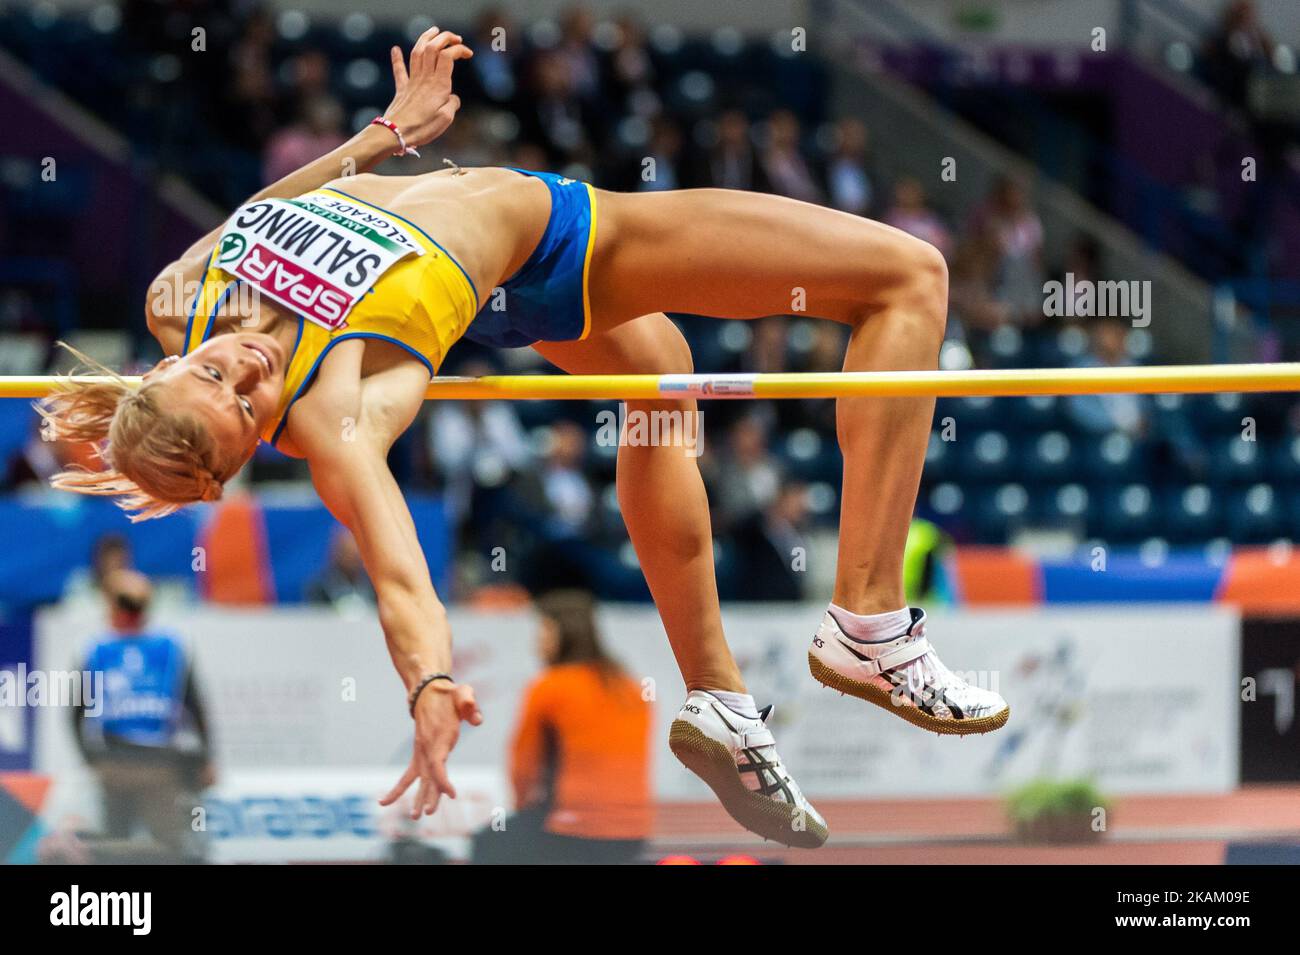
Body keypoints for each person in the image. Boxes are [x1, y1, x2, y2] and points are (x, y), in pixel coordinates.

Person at [39, 28, 1008, 849]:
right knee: (908, 276)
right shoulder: (339, 414)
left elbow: (262, 211)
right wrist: (430, 680)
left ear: (158, 364)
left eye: (213, 370)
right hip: (559, 245)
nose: (245, 368)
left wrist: (381, 136)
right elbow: (399, 572)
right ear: (256, 446)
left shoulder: (179, 295)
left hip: (482, 273)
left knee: (661, 379)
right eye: (247, 408)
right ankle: (868, 627)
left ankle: (721, 701)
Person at [474, 590, 651, 864]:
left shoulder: (550, 687)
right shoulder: (631, 687)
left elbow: (523, 768)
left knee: (488, 842)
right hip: (634, 833)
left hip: (572, 829)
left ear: (563, 633)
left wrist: (525, 809)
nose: (537, 641)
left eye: (543, 629)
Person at [72, 569, 214, 860]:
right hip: (143, 766)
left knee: (129, 847)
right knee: (154, 847)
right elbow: (195, 709)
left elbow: (76, 714)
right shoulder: (167, 647)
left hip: (134, 766)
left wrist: (90, 758)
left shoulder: (101, 649)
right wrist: (205, 759)